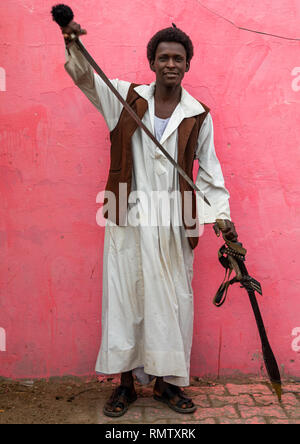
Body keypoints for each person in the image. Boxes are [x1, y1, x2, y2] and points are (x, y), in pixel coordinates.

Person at [58, 20, 238, 417]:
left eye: (178, 58)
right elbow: (86, 78)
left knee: (172, 303)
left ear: (188, 65)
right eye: (163, 58)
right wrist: (71, 44)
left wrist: (223, 218)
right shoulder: (125, 97)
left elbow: (209, 171)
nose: (170, 64)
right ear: (152, 63)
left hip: (176, 223)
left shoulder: (198, 114)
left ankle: (165, 385)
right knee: (125, 300)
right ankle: (124, 385)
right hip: (128, 217)